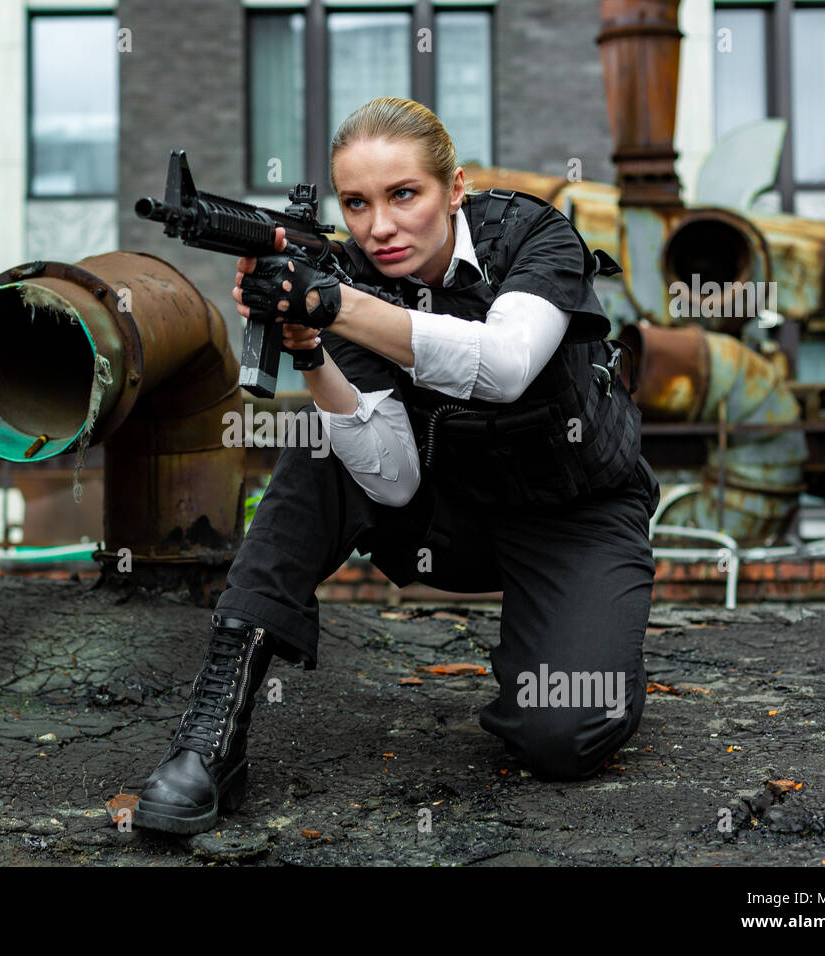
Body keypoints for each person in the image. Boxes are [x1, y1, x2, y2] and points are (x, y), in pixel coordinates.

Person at [133, 97, 660, 835]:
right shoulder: (341, 277)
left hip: (572, 513)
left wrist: (333, 303)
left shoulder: (535, 236)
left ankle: (595, 641)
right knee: (317, 444)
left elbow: (504, 366)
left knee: (561, 735)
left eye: (403, 195)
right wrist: (312, 351)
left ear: (456, 190)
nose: (379, 227)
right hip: (444, 514)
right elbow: (391, 478)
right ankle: (210, 736)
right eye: (356, 203)